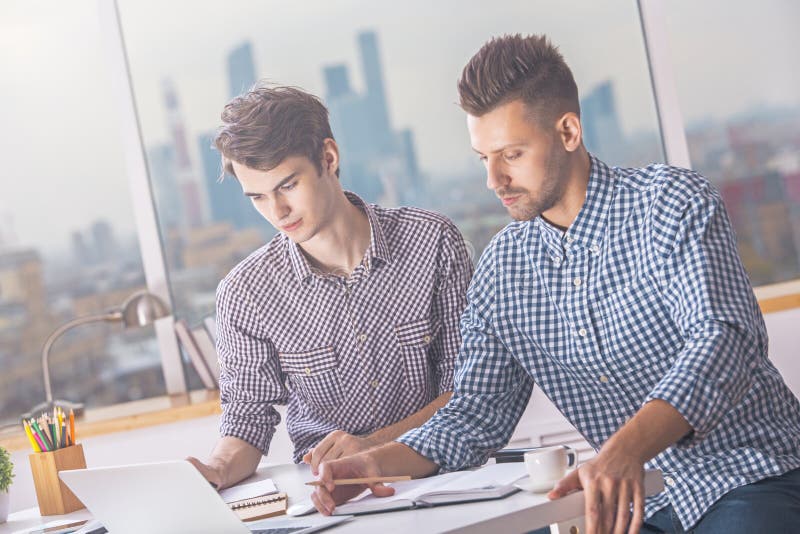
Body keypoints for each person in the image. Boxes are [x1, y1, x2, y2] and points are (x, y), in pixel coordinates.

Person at [310, 34, 800, 533]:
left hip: (750, 475)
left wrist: (623, 451)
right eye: (484, 158)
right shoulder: (503, 270)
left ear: (568, 131)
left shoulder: (670, 204)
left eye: (512, 154)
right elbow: (476, 413)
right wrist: (374, 463)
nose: (494, 180)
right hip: (633, 508)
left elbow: (723, 338)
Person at [187, 85, 473, 491]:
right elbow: (247, 419)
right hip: (330, 498)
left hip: (441, 478)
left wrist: (373, 448)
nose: (277, 212)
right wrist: (216, 470)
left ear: (328, 158)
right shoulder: (245, 292)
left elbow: (468, 390)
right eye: (257, 197)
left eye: (287, 186)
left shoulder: (432, 242)